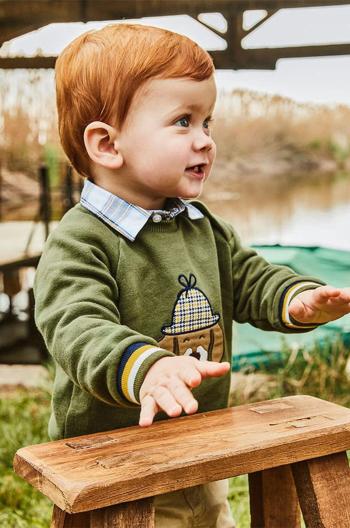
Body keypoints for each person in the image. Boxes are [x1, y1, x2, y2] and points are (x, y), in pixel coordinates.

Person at [34, 23, 350, 527]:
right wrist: (146, 367)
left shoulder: (203, 225)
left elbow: (247, 279)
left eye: (208, 123)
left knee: (209, 518)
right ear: (107, 145)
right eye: (183, 121)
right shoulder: (81, 239)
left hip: (199, 442)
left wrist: (296, 298)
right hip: (115, 460)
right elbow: (75, 326)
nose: (205, 141)